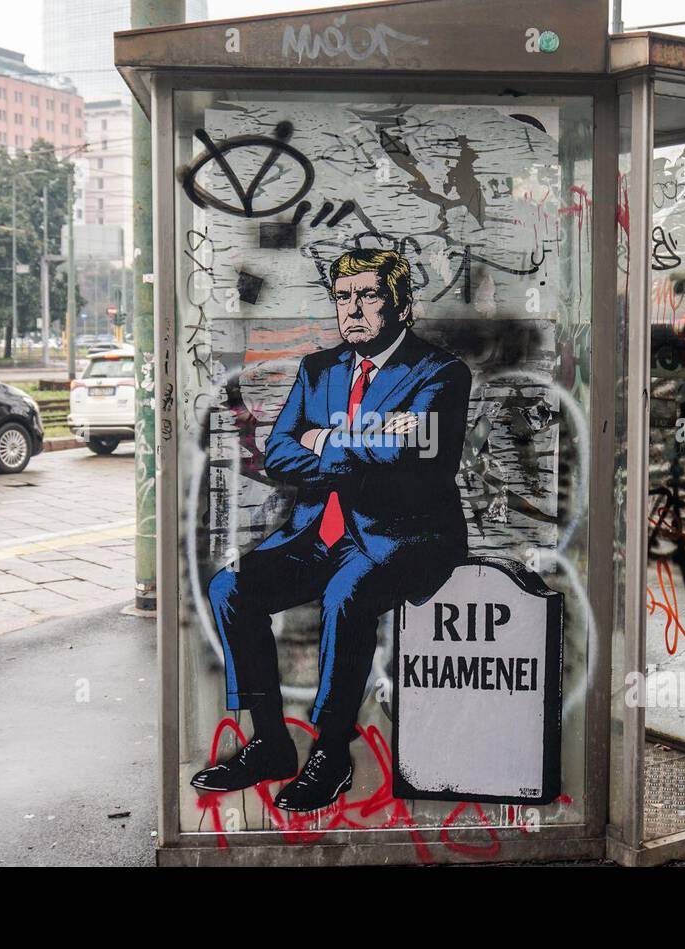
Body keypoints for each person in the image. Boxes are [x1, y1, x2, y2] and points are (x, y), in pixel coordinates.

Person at [191, 249, 473, 813]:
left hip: (406, 536)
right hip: (319, 531)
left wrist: (326, 441)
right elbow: (279, 455)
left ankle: (331, 751)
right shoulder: (319, 370)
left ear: (399, 304)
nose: (354, 309)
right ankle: (270, 742)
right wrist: (361, 446)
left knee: (348, 595)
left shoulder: (439, 373)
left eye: (368, 296)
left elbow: (417, 459)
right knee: (230, 589)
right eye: (344, 298)